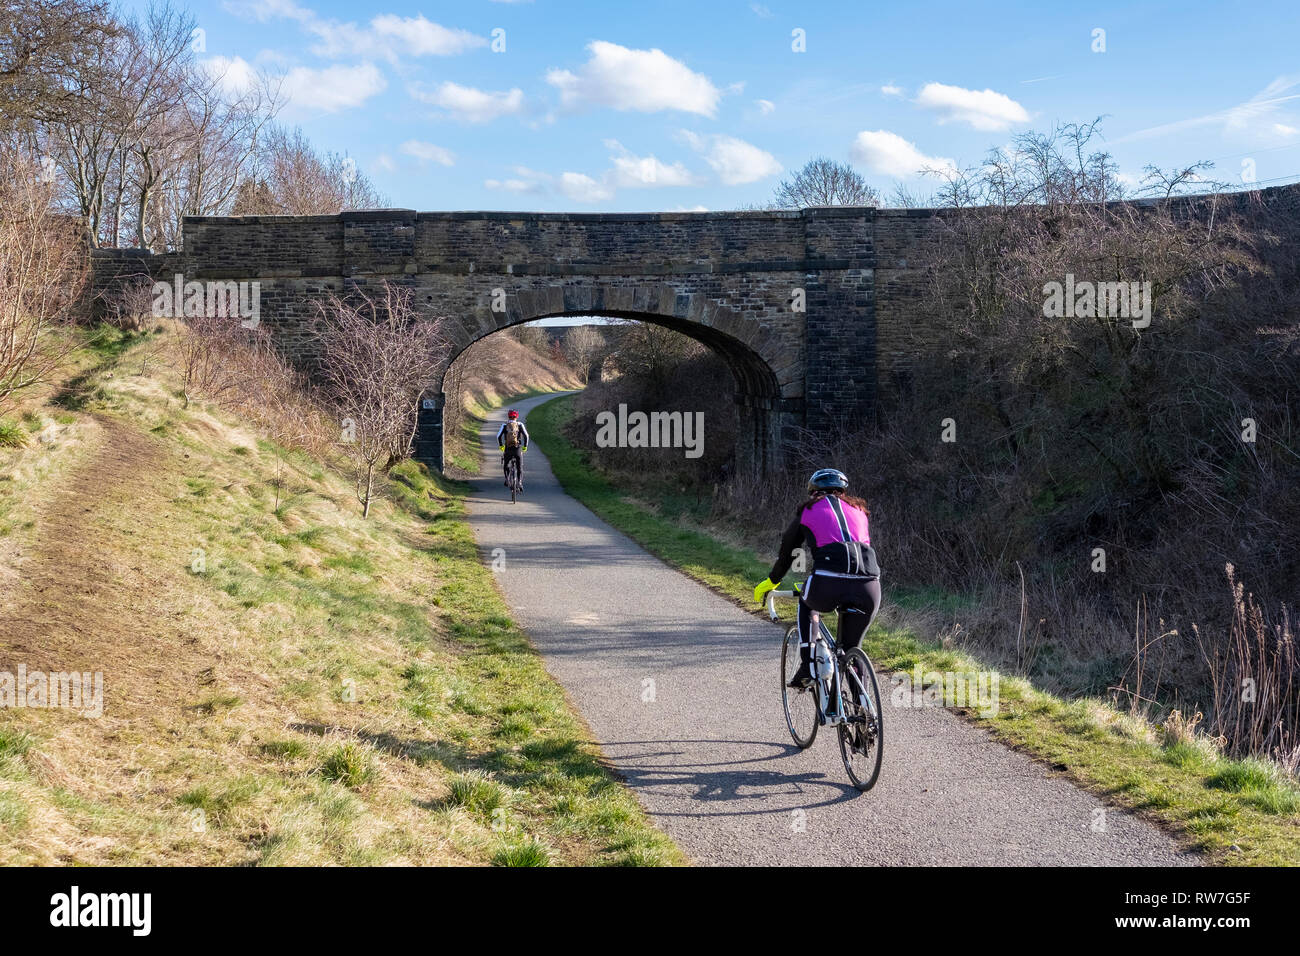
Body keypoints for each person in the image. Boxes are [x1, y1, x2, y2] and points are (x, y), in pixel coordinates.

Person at [753, 468, 881, 689]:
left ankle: (808, 666)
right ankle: (865, 714)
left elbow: (788, 551)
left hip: (828, 580)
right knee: (852, 649)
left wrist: (772, 581)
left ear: (813, 493)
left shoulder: (809, 510)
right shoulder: (859, 510)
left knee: (806, 600)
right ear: (842, 492)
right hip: (869, 584)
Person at [497, 410, 529, 490]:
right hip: (517, 448)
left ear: (508, 416)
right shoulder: (520, 425)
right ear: (516, 417)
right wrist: (525, 446)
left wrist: (501, 446)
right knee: (519, 467)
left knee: (506, 465)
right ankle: (520, 483)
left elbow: (498, 436)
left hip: (508, 448)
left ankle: (507, 479)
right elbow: (526, 436)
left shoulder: (504, 425)